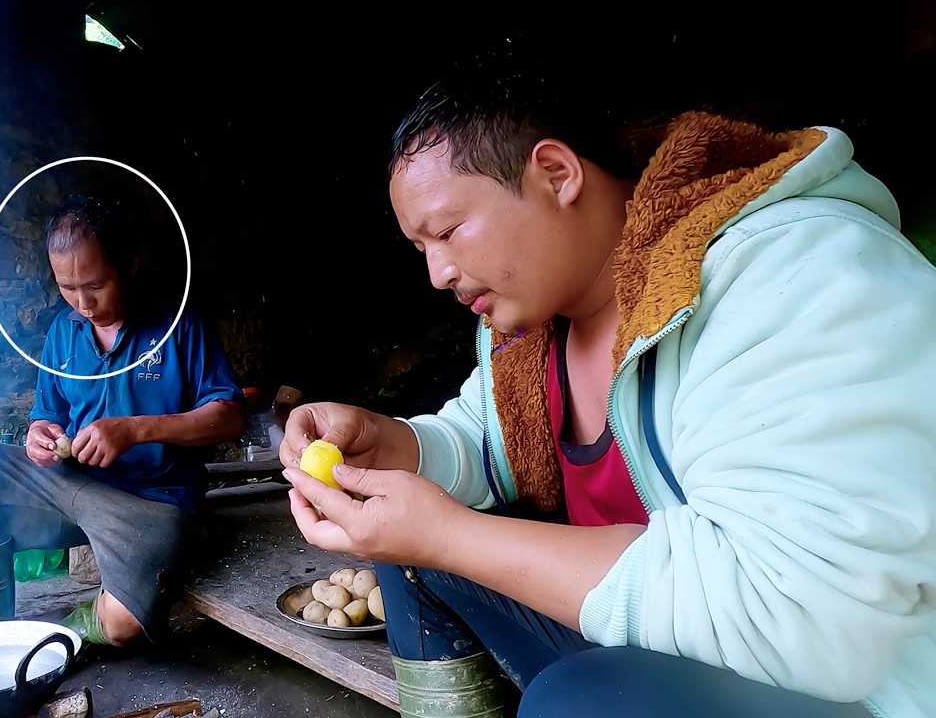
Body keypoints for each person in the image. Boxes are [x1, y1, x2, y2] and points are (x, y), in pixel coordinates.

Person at [278, 51, 936, 718]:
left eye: (447, 232)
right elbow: (483, 444)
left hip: (850, 686)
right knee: (405, 550)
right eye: (422, 249)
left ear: (557, 175)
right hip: (663, 651)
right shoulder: (531, 330)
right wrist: (394, 447)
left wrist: (447, 534)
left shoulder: (795, 276)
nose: (438, 273)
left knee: (581, 702)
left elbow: (811, 617)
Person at [0, 195, 247, 651]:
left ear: (130, 264)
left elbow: (229, 418)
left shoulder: (178, 326)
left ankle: (55, 636)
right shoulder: (64, 332)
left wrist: (135, 429)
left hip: (154, 502)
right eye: (67, 288)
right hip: (68, 485)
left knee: (125, 623)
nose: (82, 303)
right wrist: (38, 436)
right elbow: (48, 415)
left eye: (95, 285)